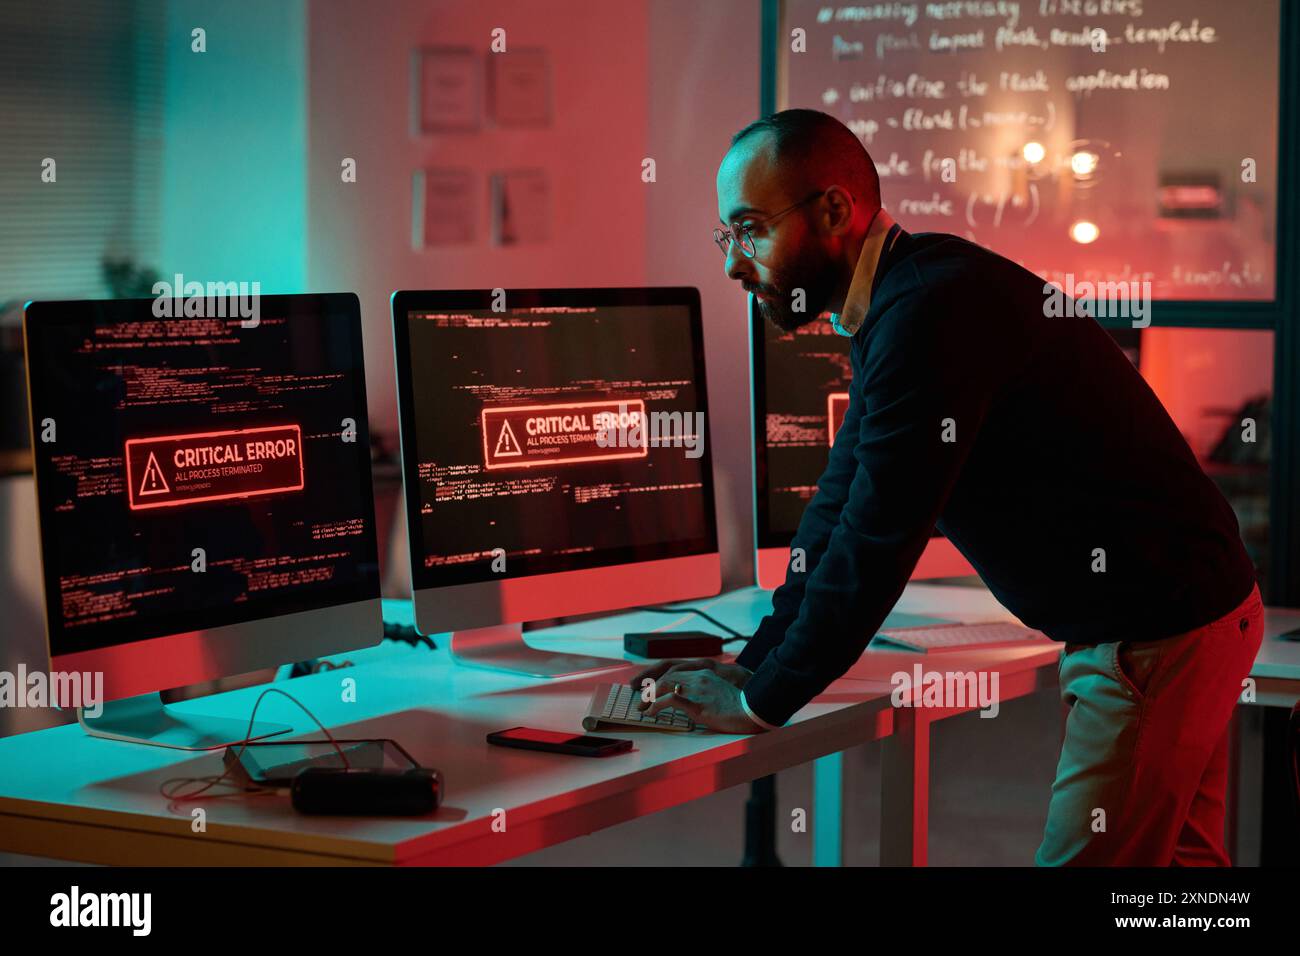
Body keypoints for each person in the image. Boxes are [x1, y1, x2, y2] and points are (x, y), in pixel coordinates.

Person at [634, 108, 1263, 866]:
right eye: (727, 237)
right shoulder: (907, 295)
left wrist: (758, 705)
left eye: (750, 230)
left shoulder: (928, 310)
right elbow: (841, 501)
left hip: (1158, 634)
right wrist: (755, 665)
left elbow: (876, 537)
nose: (735, 265)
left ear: (832, 211)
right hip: (1179, 618)